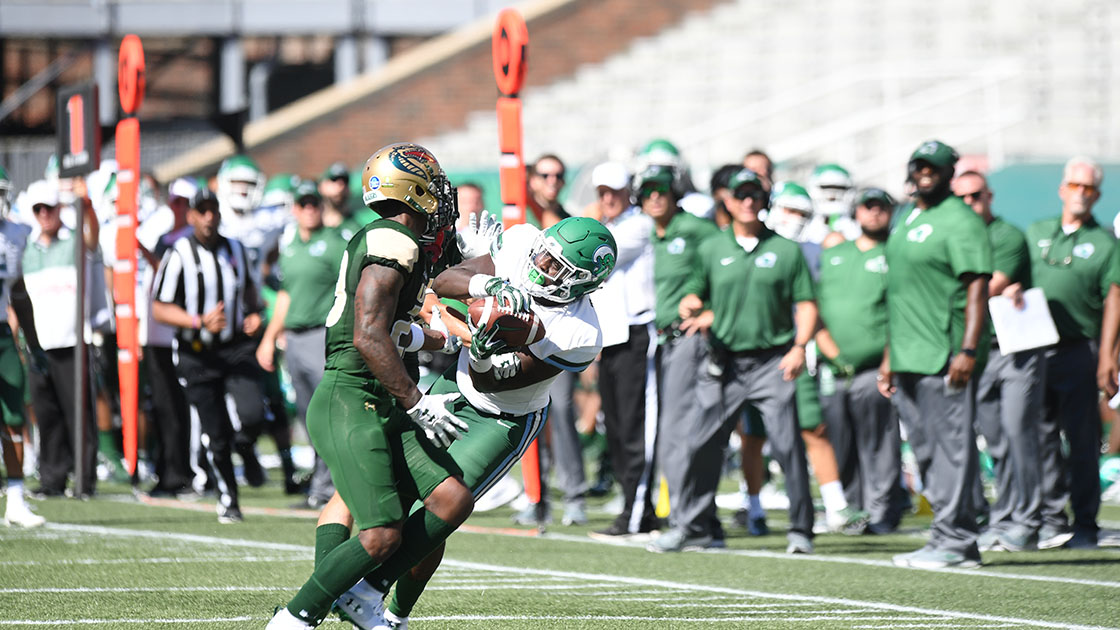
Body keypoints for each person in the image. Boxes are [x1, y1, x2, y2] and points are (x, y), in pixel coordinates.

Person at [331, 215, 617, 630]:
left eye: (556, 268)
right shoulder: (522, 245)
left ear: (581, 283)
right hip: (454, 384)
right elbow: (444, 281)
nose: (540, 266)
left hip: (503, 418)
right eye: (543, 254)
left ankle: (384, 605)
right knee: (395, 493)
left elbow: (493, 380)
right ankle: (346, 592)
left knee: (443, 508)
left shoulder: (579, 334)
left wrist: (482, 349)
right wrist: (488, 282)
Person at [267, 143, 472, 629]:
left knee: (451, 500)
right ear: (413, 190)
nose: (442, 196)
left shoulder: (402, 241)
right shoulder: (391, 240)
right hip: (353, 395)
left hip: (378, 396)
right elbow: (367, 333)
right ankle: (295, 619)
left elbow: (430, 292)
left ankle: (351, 595)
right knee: (382, 534)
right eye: (433, 185)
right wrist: (416, 401)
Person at [652, 167, 818, 554]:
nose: (747, 202)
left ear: (765, 201)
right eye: (740, 195)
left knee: (787, 445)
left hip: (772, 361)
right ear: (727, 200)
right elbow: (694, 290)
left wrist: (799, 347)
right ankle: (693, 526)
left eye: (755, 196)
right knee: (700, 444)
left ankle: (801, 530)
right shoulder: (712, 248)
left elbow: (807, 303)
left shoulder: (786, 250)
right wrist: (692, 304)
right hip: (723, 364)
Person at [880, 140, 992, 569]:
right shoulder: (908, 217)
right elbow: (900, 293)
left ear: (949, 172)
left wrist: (967, 349)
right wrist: (890, 354)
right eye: (919, 166)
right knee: (926, 452)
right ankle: (949, 535)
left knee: (952, 451)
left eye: (934, 167)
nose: (925, 173)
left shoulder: (961, 220)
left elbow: (977, 288)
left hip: (943, 354)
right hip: (907, 353)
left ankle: (958, 539)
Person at [151, 188, 269, 523]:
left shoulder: (235, 249)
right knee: (215, 431)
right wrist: (197, 321)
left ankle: (245, 447)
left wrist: (254, 315)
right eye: (200, 211)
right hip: (196, 352)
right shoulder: (179, 254)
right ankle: (229, 498)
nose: (208, 217)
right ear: (190, 215)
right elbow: (159, 307)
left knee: (253, 414)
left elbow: (250, 294)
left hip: (234, 347)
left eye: (212, 209)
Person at [1025, 156, 1115, 550]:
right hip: (1032, 348)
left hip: (1079, 347)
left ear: (1097, 194)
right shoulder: (1036, 231)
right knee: (1040, 437)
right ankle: (1050, 517)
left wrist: (1108, 355)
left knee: (1081, 439)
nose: (1081, 193)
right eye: (1075, 186)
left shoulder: (1105, 242)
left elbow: (1115, 298)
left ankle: (1085, 521)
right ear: (1063, 189)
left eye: (1089, 188)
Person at [951, 171, 1044, 552]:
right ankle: (1004, 517)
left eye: (976, 195)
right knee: (996, 440)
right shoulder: (955, 234)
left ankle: (1030, 519)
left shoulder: (1006, 235)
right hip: (979, 350)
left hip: (1014, 347)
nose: (970, 203)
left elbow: (988, 287)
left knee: (1019, 431)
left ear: (989, 196)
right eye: (962, 198)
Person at [816, 187, 905, 534]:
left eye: (881, 207)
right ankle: (851, 511)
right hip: (833, 368)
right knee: (840, 443)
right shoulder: (836, 255)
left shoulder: (897, 254)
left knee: (880, 444)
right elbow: (815, 305)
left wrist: (889, 360)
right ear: (856, 212)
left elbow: (901, 313)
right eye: (867, 207)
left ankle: (882, 512)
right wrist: (829, 351)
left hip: (874, 368)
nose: (874, 213)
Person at [256, 181, 349, 509]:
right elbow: (285, 296)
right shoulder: (291, 246)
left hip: (321, 335)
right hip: (293, 339)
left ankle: (327, 490)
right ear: (295, 209)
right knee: (309, 419)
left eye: (314, 204)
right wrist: (269, 340)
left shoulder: (335, 243)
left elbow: (351, 285)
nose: (309, 209)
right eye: (304, 204)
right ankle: (321, 487)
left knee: (326, 416)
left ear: (321, 207)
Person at [582, 161, 658, 538]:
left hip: (636, 334)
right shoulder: (613, 227)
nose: (607, 199)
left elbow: (599, 258)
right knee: (617, 426)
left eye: (613, 191)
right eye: (601, 192)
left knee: (633, 425)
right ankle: (635, 505)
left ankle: (638, 510)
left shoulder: (638, 225)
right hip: (613, 338)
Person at [21, 178, 100, 499]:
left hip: (72, 341)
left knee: (79, 414)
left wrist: (89, 205)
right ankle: (53, 478)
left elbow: (93, 238)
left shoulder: (73, 242)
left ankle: (85, 479)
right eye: (38, 209)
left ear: (59, 209)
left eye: (49, 208)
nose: (44, 215)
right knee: (48, 415)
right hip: (38, 346)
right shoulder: (28, 251)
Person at [138, 178, 201, 497]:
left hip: (181, 334)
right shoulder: (167, 236)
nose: (177, 208)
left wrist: (138, 247)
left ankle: (182, 473)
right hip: (157, 332)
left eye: (183, 203)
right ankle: (167, 471)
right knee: (162, 405)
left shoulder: (191, 241)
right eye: (174, 202)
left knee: (179, 405)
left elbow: (167, 275)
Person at [0, 165, 45, 526]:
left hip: (2, 334)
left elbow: (19, 293)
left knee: (14, 418)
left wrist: (33, 341)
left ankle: (15, 500)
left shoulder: (15, 235)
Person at [526, 154, 570, 229]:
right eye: (545, 176)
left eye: (558, 176)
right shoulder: (522, 216)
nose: (553, 181)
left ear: (563, 181)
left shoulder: (568, 220)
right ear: (532, 180)